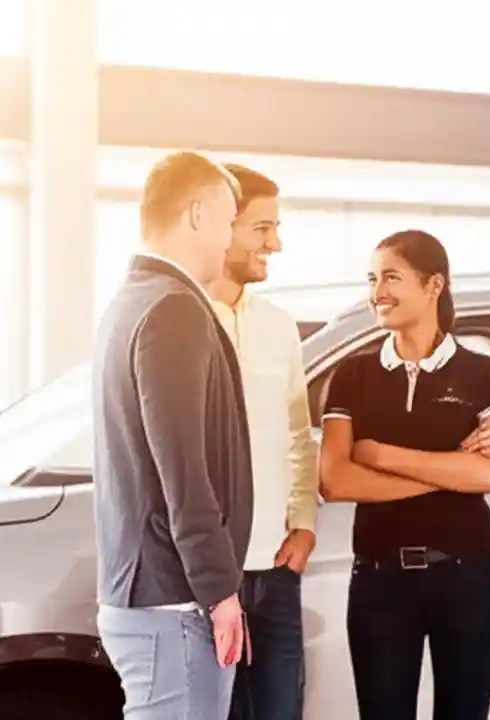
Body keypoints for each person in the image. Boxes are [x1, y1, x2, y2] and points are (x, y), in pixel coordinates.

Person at [317, 230, 490, 720]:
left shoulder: (484, 373)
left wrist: (379, 453)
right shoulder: (353, 376)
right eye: (372, 278)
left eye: (391, 277)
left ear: (433, 285)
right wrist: (450, 470)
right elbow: (336, 480)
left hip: (468, 577)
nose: (377, 291)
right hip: (379, 582)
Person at [92, 150, 254, 719]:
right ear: (196, 215)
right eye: (230, 219)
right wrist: (220, 591)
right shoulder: (173, 309)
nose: (232, 238)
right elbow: (184, 471)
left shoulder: (130, 301)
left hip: (152, 599)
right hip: (175, 604)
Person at [204, 164, 316, 720]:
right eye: (262, 227)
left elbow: (298, 432)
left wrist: (304, 521)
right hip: (204, 578)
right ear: (221, 225)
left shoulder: (279, 325)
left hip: (275, 570)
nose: (276, 242)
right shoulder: (182, 321)